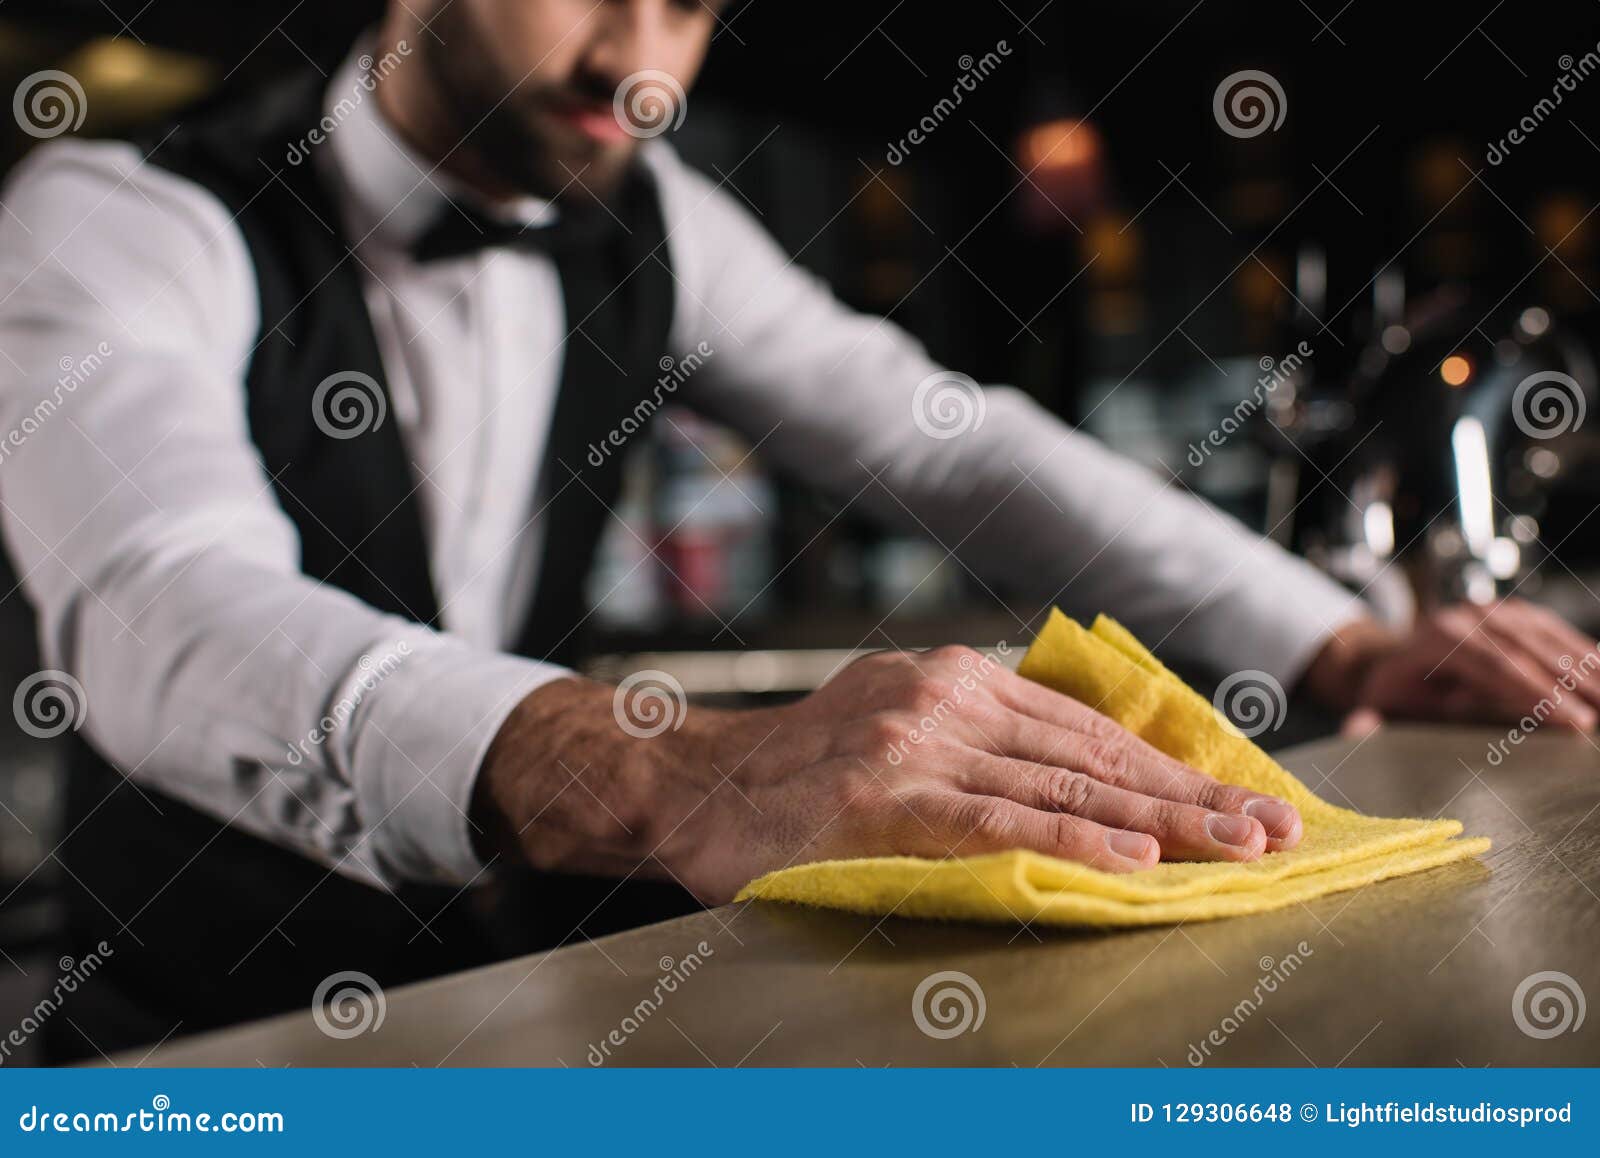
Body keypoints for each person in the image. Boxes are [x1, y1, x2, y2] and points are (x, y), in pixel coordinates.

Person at [0, 0, 1593, 1059]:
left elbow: (947, 444)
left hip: (491, 1017)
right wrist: (657, 765)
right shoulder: (127, 211)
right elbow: (161, 595)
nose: (642, 64)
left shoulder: (658, 213)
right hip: (181, 1037)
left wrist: (1342, 636)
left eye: (686, 0)